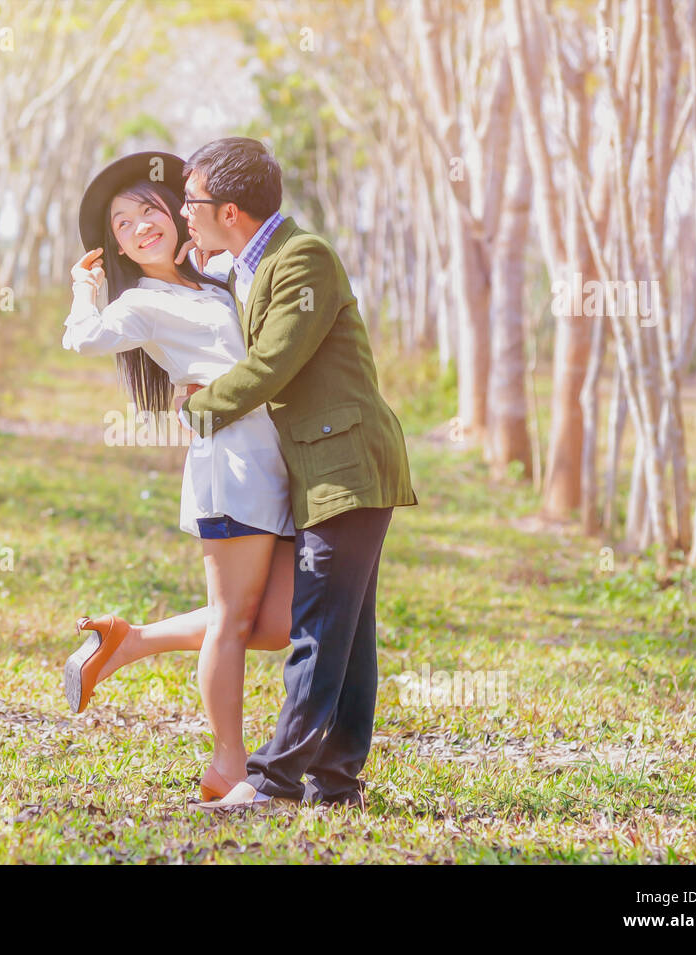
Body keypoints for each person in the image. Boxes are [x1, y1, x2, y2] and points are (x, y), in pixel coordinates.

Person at [175, 137, 419, 810]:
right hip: (328, 469)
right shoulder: (254, 265)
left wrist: (199, 409)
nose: (182, 213)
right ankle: (337, 784)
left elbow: (273, 362)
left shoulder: (302, 257)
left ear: (229, 210)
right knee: (348, 634)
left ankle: (276, 779)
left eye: (191, 201)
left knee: (317, 626)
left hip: (347, 466)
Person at [60, 150, 295, 802]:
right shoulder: (143, 304)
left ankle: (129, 641)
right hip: (230, 472)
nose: (140, 226)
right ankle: (229, 765)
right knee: (231, 620)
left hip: (273, 468)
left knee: (274, 620)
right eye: (123, 223)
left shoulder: (213, 278)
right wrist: (84, 287)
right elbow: (83, 340)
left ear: (173, 214)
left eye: (147, 210)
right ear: (117, 246)